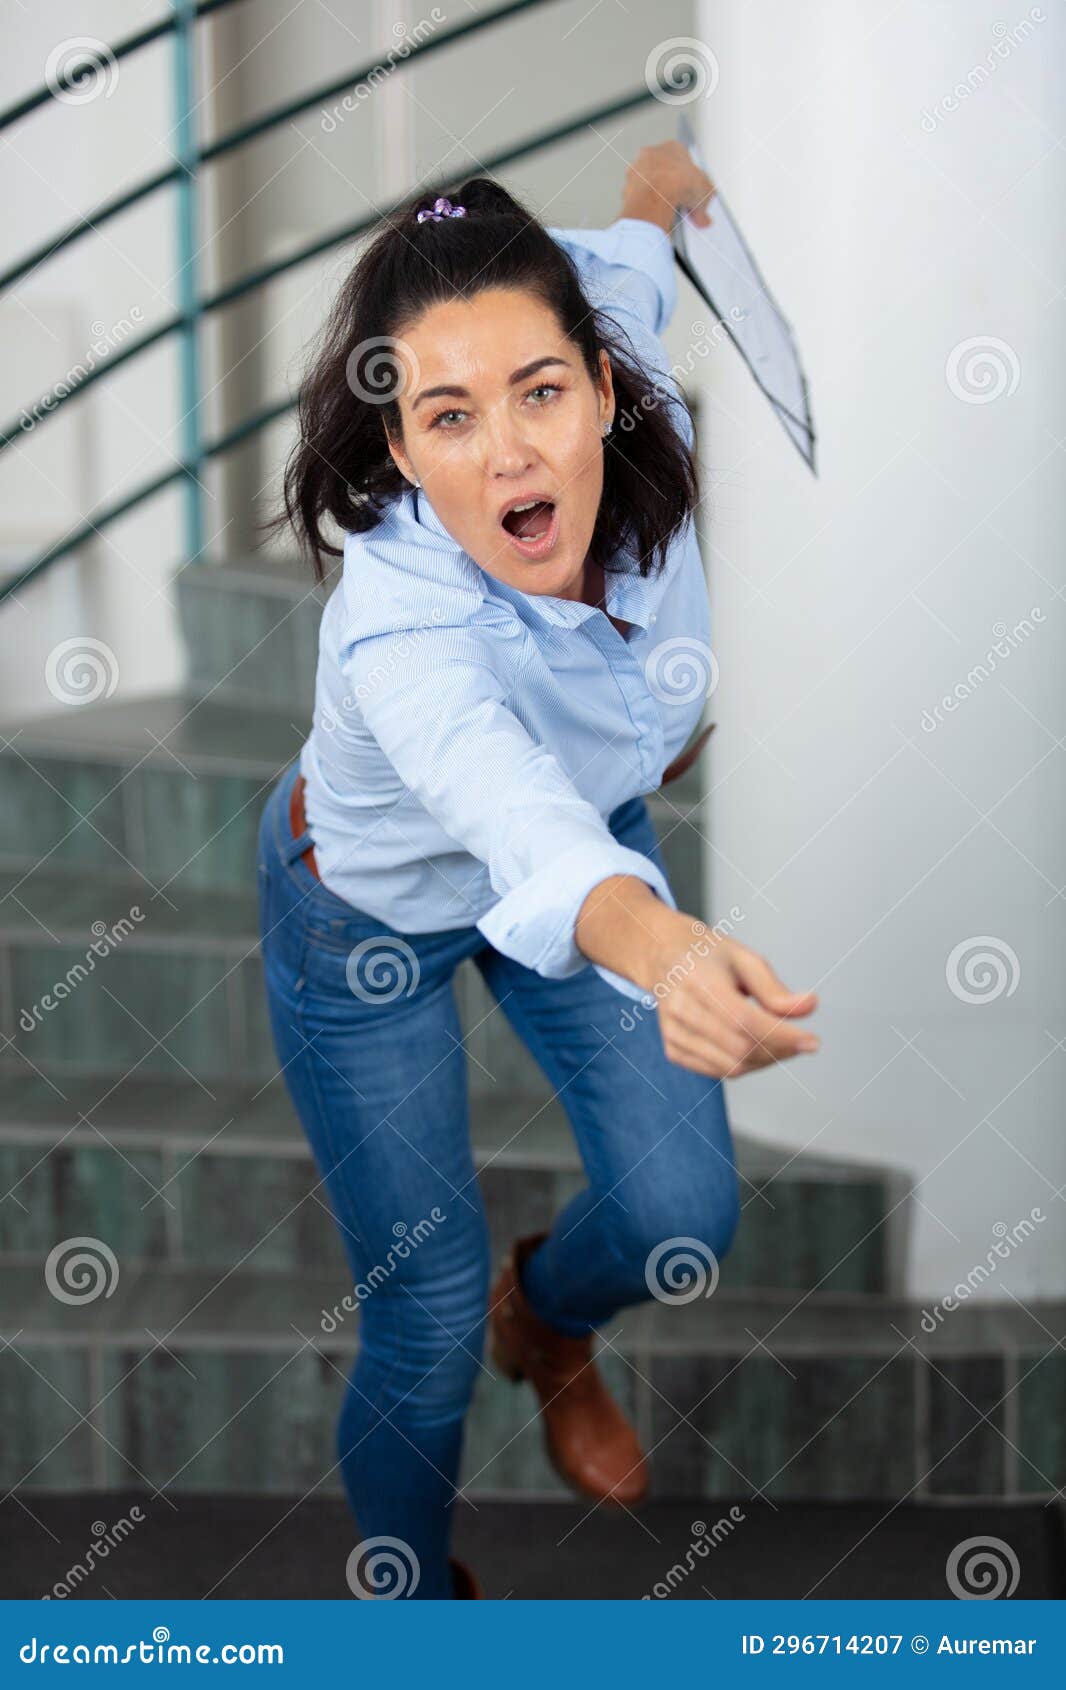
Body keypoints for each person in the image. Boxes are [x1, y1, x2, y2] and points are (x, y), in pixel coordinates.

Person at [256, 141, 820, 1600]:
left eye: (540, 392)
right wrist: (668, 951)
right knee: (427, 1317)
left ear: (605, 382)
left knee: (681, 1217)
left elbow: (638, 241)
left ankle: (552, 1317)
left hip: (591, 826)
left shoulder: (618, 331)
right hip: (368, 914)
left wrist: (660, 185)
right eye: (448, 416)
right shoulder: (400, 623)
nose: (508, 451)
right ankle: (410, 1614)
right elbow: (514, 815)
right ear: (400, 451)